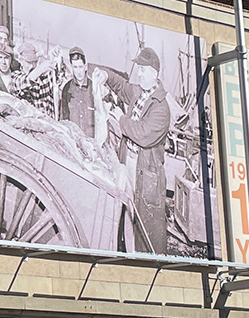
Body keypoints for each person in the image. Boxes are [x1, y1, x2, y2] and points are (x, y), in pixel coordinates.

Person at [102, 47, 171, 253]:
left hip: (145, 170)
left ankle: (148, 262)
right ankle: (128, 252)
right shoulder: (138, 92)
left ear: (154, 73)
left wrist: (119, 117)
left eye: (142, 70)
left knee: (146, 222)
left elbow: (142, 134)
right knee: (127, 212)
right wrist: (104, 75)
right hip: (129, 161)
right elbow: (121, 85)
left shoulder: (162, 108)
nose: (138, 73)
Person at [56, 47, 96, 138]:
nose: (78, 71)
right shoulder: (67, 89)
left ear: (85, 67)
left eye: (80, 67)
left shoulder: (94, 89)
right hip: (75, 143)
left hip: (92, 144)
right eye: (75, 67)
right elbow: (63, 120)